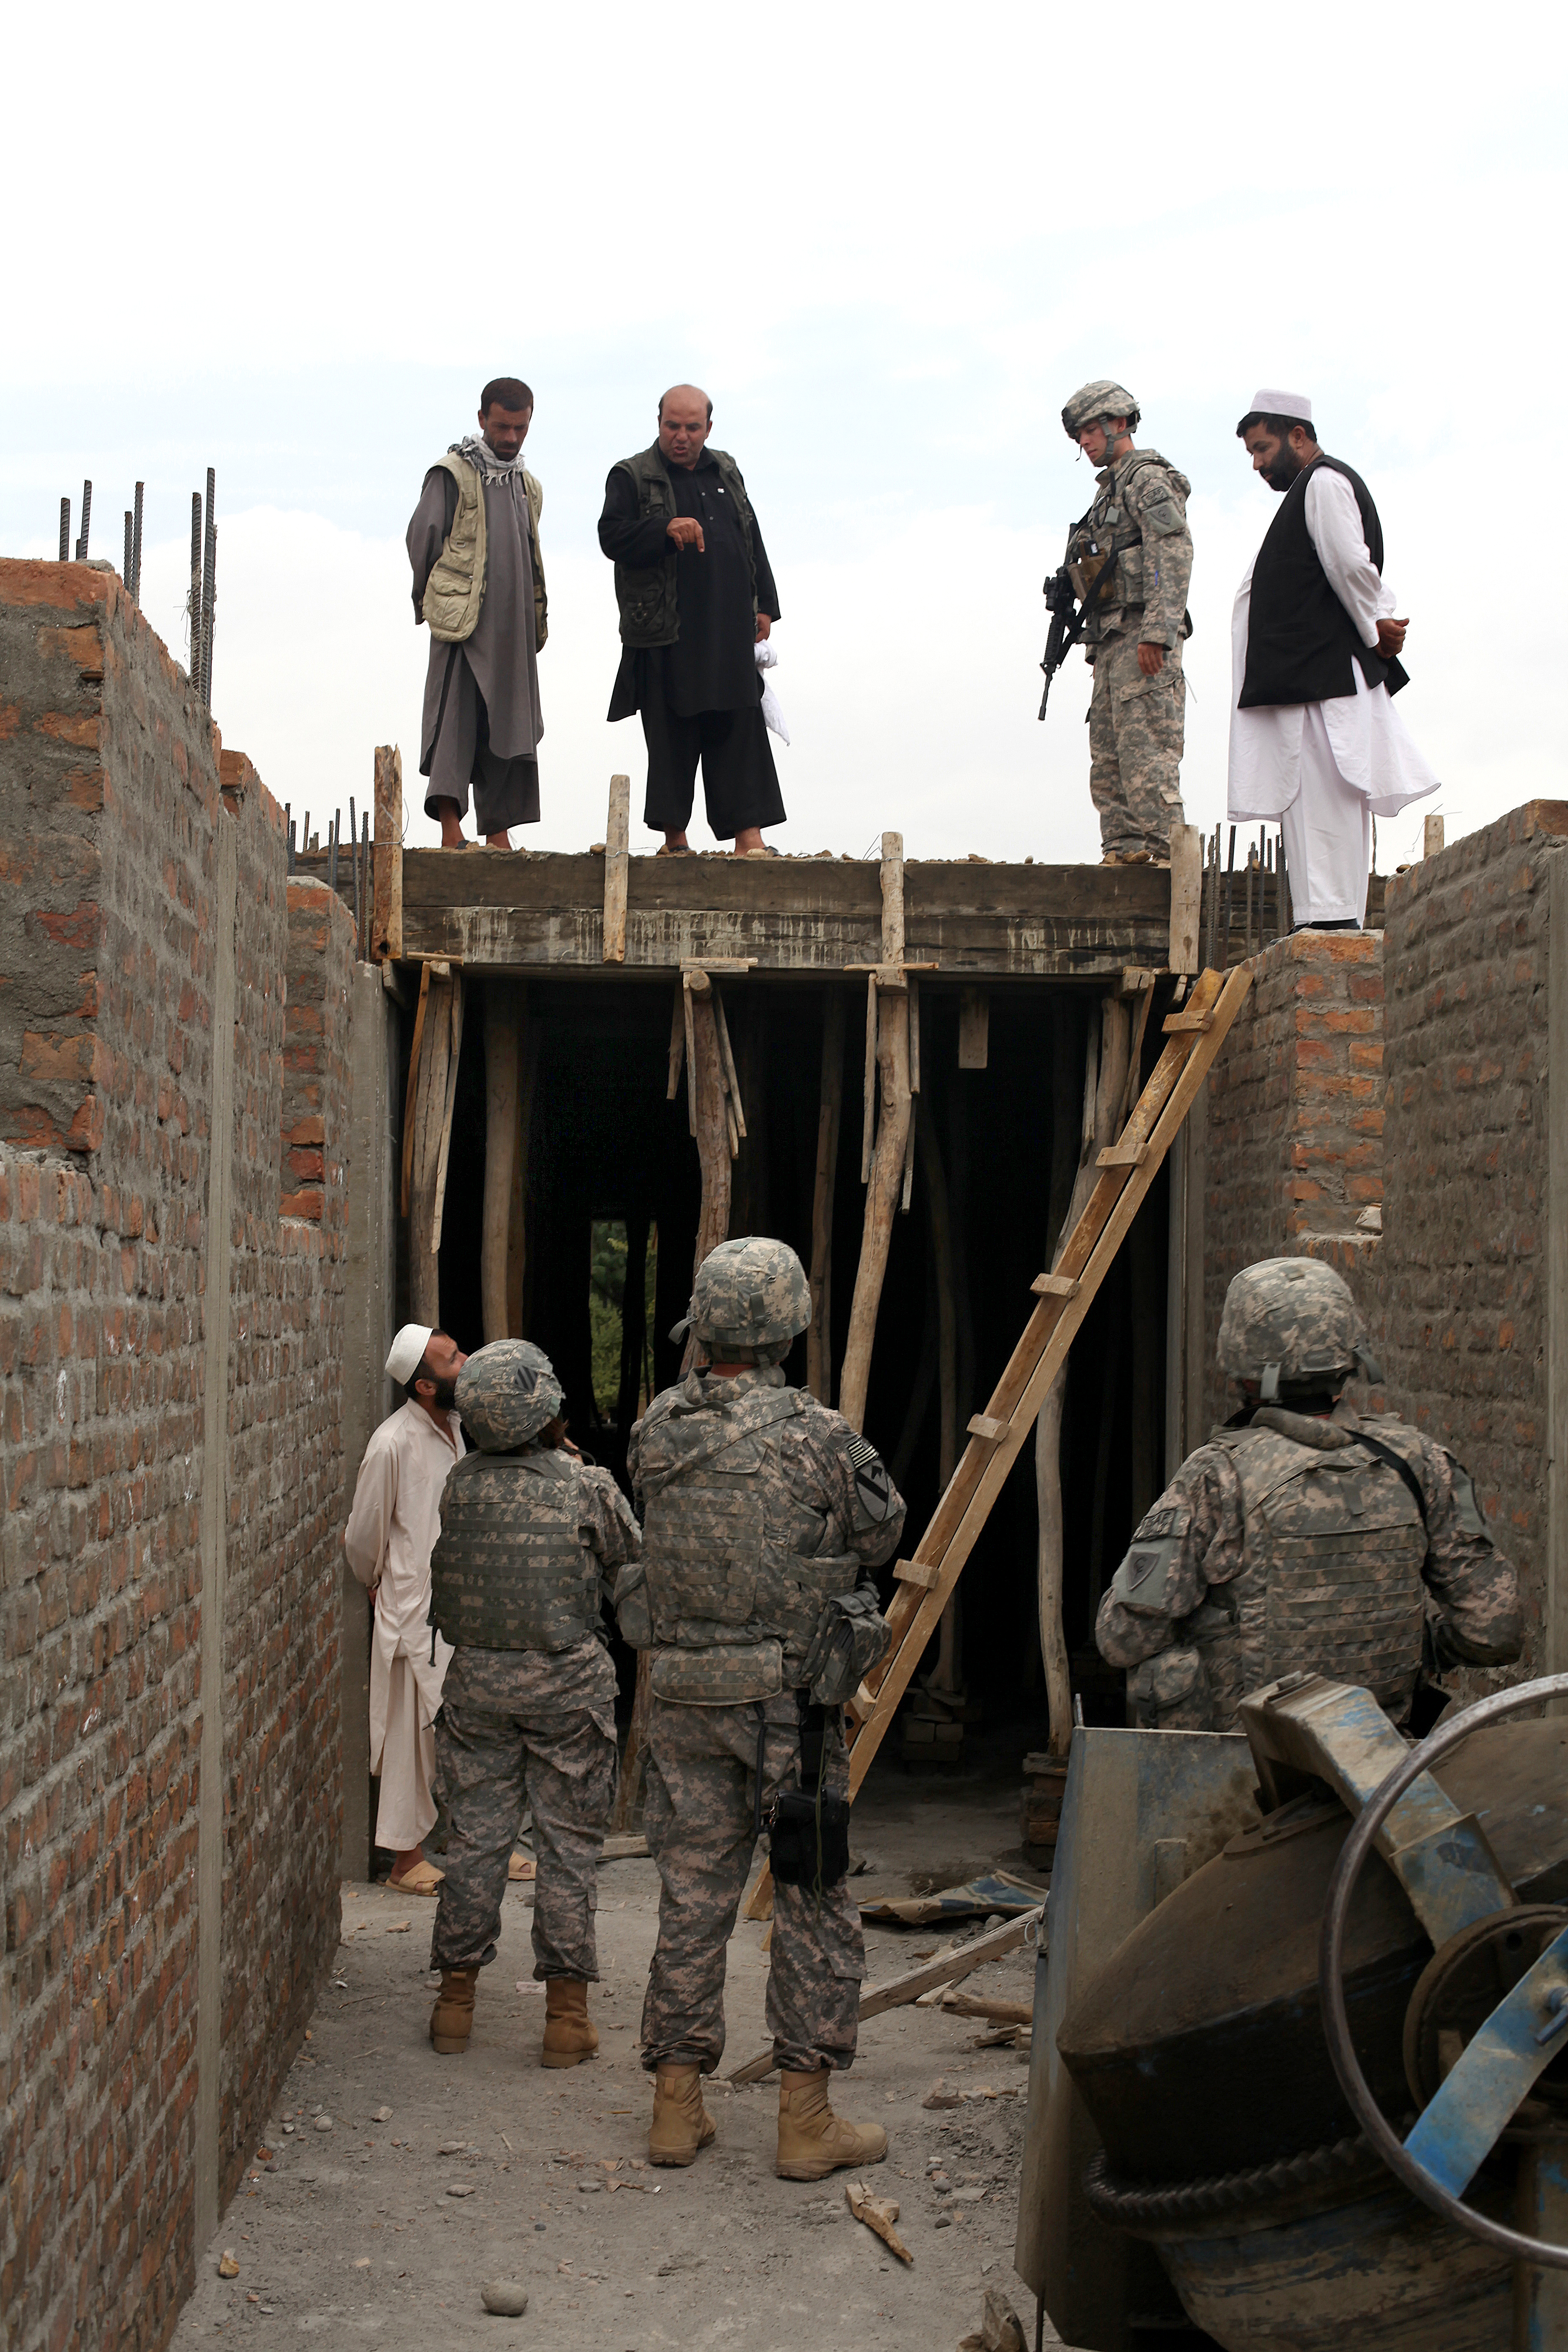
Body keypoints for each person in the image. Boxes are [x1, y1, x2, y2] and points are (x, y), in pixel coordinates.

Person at [620, 1237, 906, 2177]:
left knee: (693, 1896)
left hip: (685, 1698)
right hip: (790, 1706)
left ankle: (675, 2108)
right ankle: (804, 2121)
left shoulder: (657, 1428)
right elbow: (883, 1527)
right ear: (789, 1325)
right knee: (812, 1898)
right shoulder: (821, 1436)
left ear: (704, 1327)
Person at [1096, 1258, 1522, 1730]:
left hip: (1248, 1771)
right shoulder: (1419, 1462)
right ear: (1351, 1360)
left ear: (1241, 1369)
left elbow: (1124, 1638)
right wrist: (1415, 1651)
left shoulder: (1217, 1477)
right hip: (1385, 1754)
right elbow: (1495, 1631)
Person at [425, 1341, 641, 2066]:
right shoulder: (587, 1487)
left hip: (476, 1687)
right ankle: (564, 2017)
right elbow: (630, 1565)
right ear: (547, 1409)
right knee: (567, 1849)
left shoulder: (459, 1484)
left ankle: (454, 2006)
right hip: (566, 1692)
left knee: (474, 1844)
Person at [1229, 389, 1438, 930]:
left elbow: (1349, 561)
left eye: (1262, 448)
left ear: (1298, 436)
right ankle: (1322, 921)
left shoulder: (1323, 482)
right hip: (1309, 683)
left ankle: (1332, 924)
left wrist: (1376, 624)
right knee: (1309, 802)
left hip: (1326, 683)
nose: (1257, 463)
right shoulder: (1306, 491)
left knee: (1329, 796)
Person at [598, 384, 785, 856]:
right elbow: (611, 537)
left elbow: (750, 533)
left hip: (727, 625)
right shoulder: (632, 475)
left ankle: (750, 840)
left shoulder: (726, 468)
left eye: (692, 428)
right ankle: (674, 841)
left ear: (708, 428)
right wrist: (662, 529)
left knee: (740, 726)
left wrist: (764, 603)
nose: (681, 437)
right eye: (672, 426)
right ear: (659, 423)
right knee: (671, 734)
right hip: (666, 629)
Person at [343, 1324, 467, 1894]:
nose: (464, 1364)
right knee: (410, 1738)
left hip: (456, 1609)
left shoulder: (459, 1430)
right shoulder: (392, 1442)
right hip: (411, 1609)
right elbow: (362, 1534)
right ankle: (404, 1862)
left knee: (464, 1730)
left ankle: (474, 1846)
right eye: (452, 1361)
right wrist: (375, 1581)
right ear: (423, 1385)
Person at [407, 376, 548, 851]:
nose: (510, 438)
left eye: (520, 429)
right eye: (503, 427)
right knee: (455, 720)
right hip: (463, 624)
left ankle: (498, 832)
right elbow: (422, 541)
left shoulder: (527, 486)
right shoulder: (451, 473)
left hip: (514, 629)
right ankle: (451, 828)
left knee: (507, 724)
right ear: (483, 419)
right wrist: (435, 602)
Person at [1057, 381, 1193, 867]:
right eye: (1079, 436)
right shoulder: (1107, 493)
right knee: (1110, 761)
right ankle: (1124, 853)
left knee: (1148, 761)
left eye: (1091, 430)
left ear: (1119, 424)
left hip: (1141, 637)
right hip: (1112, 642)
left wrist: (1159, 631)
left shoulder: (1146, 480)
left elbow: (1170, 552)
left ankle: (1169, 864)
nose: (1085, 442)